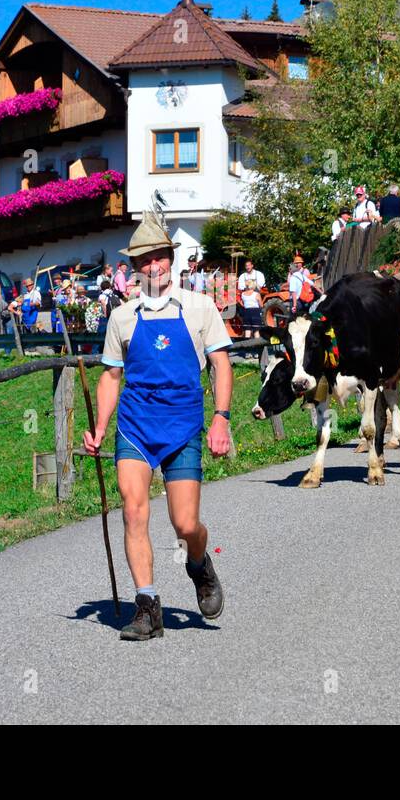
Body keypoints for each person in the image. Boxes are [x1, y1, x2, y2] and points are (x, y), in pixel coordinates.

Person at [83, 207, 232, 642]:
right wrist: (101, 426)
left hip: (184, 427)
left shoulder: (200, 307)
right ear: (135, 267)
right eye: (145, 259)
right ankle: (146, 606)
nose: (155, 266)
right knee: (133, 511)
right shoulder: (122, 317)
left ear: (172, 258)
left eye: (160, 256)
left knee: (186, 526)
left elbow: (220, 365)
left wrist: (220, 419)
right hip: (135, 427)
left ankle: (199, 565)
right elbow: (111, 375)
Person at [237, 259, 266, 339]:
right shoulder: (242, 276)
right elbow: (240, 287)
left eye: (249, 265)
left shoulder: (259, 274)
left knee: (249, 330)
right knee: (254, 330)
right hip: (249, 298)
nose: (247, 267)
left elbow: (262, 284)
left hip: (257, 293)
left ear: (252, 265)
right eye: (246, 266)